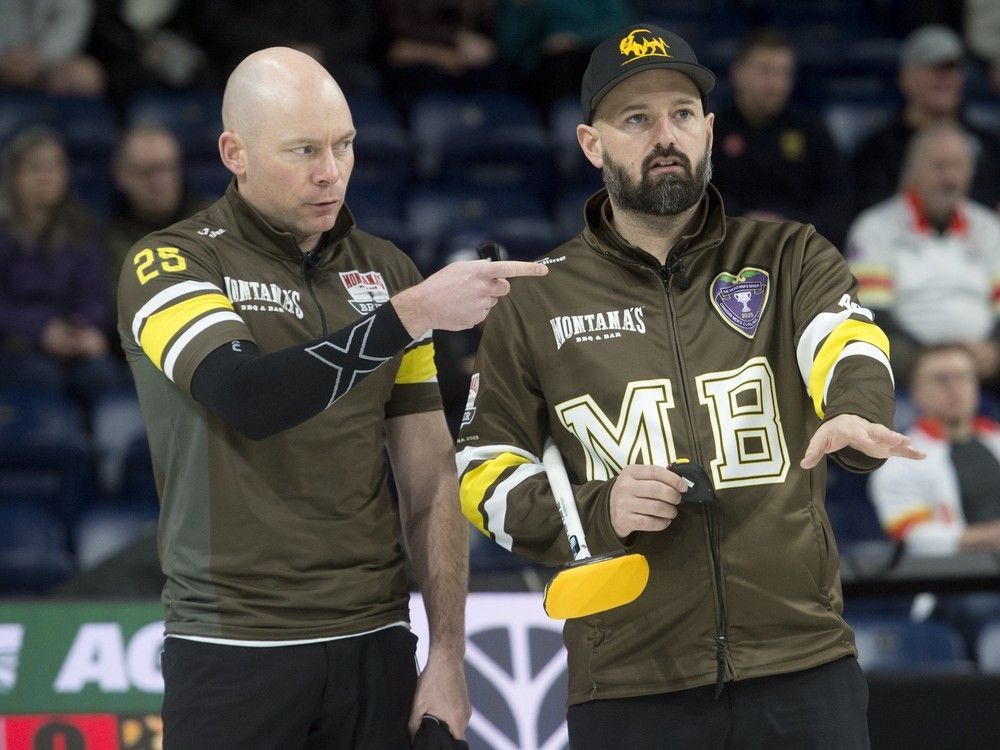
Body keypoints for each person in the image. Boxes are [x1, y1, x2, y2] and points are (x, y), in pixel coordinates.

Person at [456, 24, 924, 749]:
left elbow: (844, 340)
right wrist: (597, 508)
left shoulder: (789, 255)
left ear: (708, 130)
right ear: (592, 144)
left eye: (680, 114)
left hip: (802, 669)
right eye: (636, 119)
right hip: (629, 684)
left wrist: (856, 413)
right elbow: (481, 470)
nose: (663, 135)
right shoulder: (535, 302)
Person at [116, 47, 546, 748]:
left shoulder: (384, 269)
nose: (330, 171)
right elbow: (245, 395)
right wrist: (407, 316)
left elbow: (431, 479)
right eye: (303, 150)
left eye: (344, 145)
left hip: (376, 643)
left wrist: (445, 654)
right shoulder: (172, 263)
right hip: (235, 646)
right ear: (236, 152)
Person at [846, 123, 1000, 387]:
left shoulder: (989, 227)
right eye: (939, 166)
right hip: (908, 361)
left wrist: (994, 352)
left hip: (983, 361)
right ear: (914, 169)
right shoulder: (874, 227)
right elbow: (872, 313)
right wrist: (930, 361)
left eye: (958, 166)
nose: (950, 178)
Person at [869, 343, 1000, 653]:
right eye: (942, 379)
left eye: (964, 377)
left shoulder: (996, 439)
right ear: (915, 392)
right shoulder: (898, 461)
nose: (955, 387)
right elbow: (915, 538)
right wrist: (991, 536)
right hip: (955, 587)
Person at [0, 127, 121, 410]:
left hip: (71, 341)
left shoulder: (82, 226)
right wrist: (41, 330)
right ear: (14, 175)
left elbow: (94, 291)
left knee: (102, 375)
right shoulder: (4, 230)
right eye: (36, 167)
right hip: (14, 343)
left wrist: (88, 329)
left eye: (55, 166)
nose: (47, 176)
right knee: (40, 376)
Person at [710, 27, 852, 246]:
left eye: (784, 73)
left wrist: (794, 228)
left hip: (802, 248)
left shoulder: (811, 129)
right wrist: (744, 221)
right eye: (766, 71)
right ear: (738, 73)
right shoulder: (713, 130)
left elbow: (838, 200)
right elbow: (699, 199)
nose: (775, 84)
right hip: (727, 245)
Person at [850, 24, 1000, 215]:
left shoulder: (992, 146)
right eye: (933, 68)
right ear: (905, 78)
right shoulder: (875, 152)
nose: (944, 77)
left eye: (951, 68)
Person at [106, 123, 207, 301]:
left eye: (168, 169)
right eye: (146, 172)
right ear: (120, 175)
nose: (159, 182)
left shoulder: (213, 224)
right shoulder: (104, 240)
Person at [0, 0, 105, 96]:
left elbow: (72, 16)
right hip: (4, 62)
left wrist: (37, 60)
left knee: (84, 75)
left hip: (42, 66)